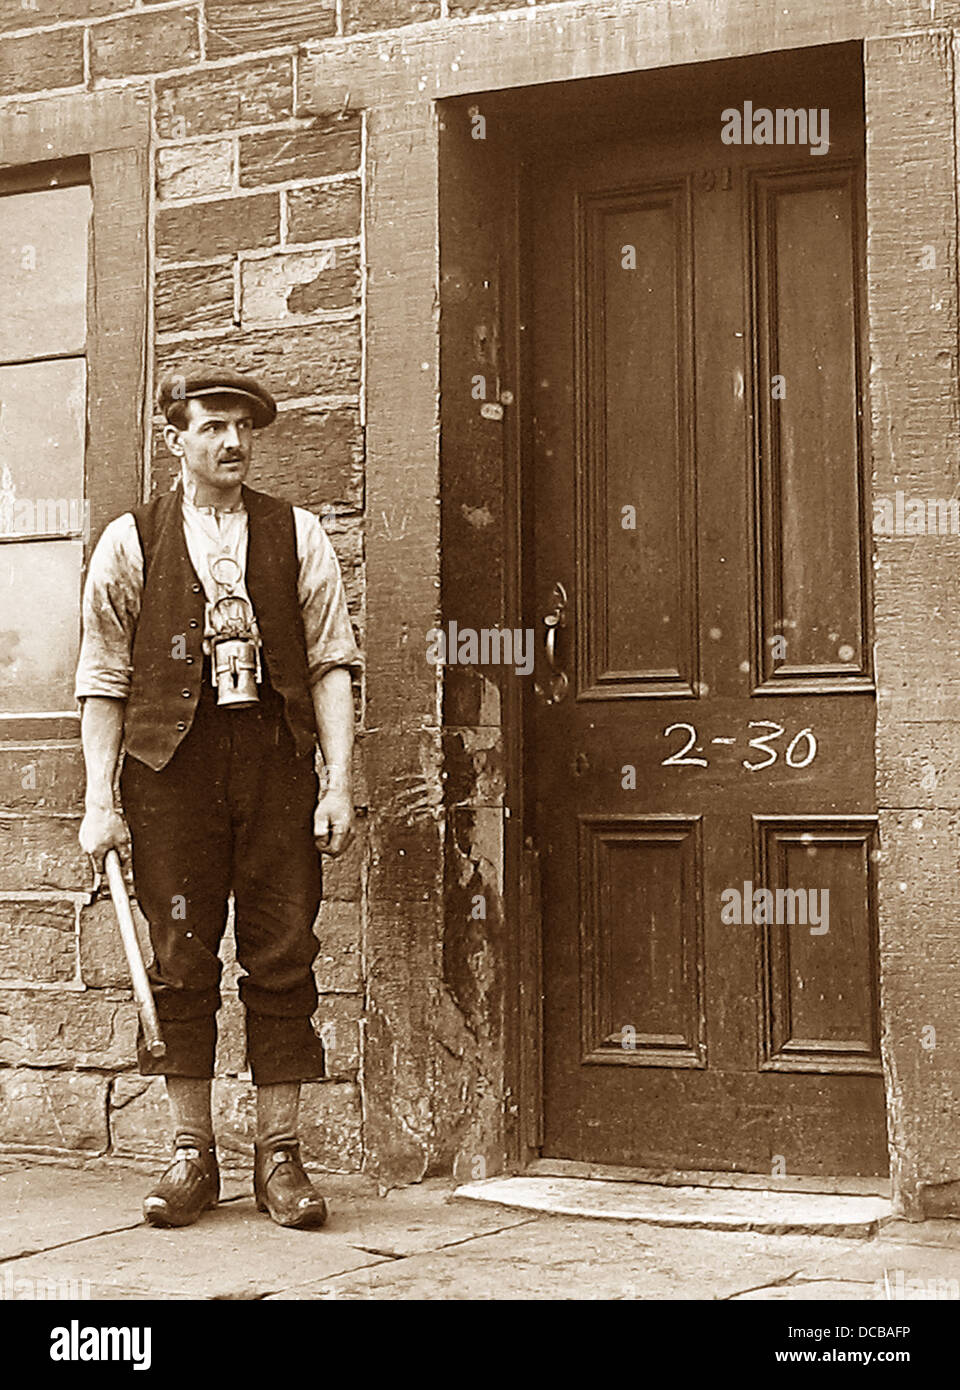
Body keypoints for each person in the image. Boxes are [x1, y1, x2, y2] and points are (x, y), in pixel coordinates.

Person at [75, 364, 361, 1230]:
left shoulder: (296, 534)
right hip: (169, 773)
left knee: (282, 953)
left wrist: (338, 782)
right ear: (177, 438)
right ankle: (191, 1154)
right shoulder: (132, 540)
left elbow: (330, 664)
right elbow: (102, 676)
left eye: (243, 427)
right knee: (181, 960)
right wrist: (101, 798)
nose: (232, 442)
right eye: (212, 426)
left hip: (275, 769)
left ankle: (280, 1157)